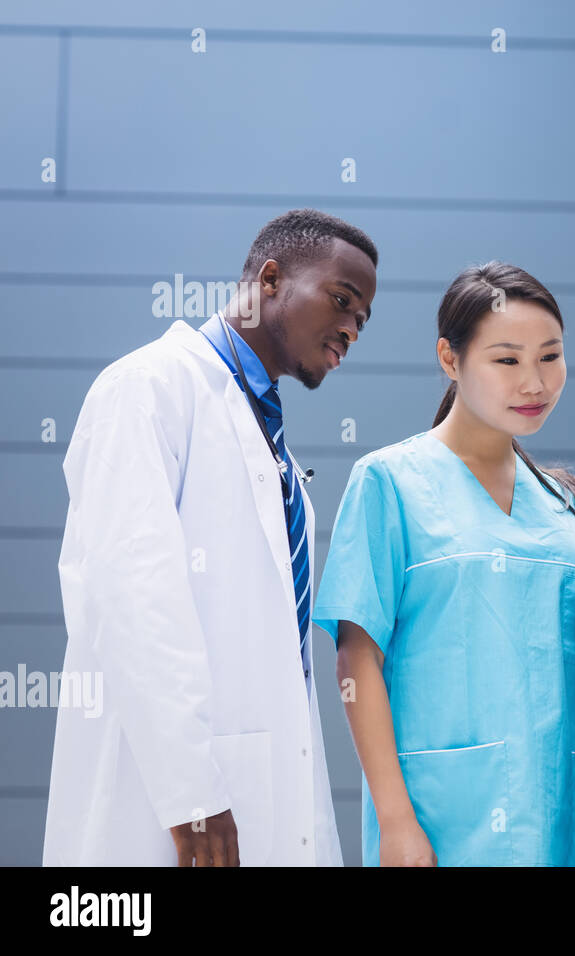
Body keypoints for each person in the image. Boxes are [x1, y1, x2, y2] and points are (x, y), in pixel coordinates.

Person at [45, 209, 379, 866]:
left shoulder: (266, 439)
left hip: (265, 792)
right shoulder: (148, 388)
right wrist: (189, 793)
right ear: (271, 278)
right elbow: (133, 598)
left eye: (361, 321)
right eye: (342, 301)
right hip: (170, 806)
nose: (349, 328)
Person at [312, 262, 575, 867]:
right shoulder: (389, 482)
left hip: (561, 819)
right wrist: (395, 821)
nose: (535, 383)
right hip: (439, 822)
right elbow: (356, 657)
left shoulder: (563, 507)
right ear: (450, 359)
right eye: (507, 360)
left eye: (550, 357)